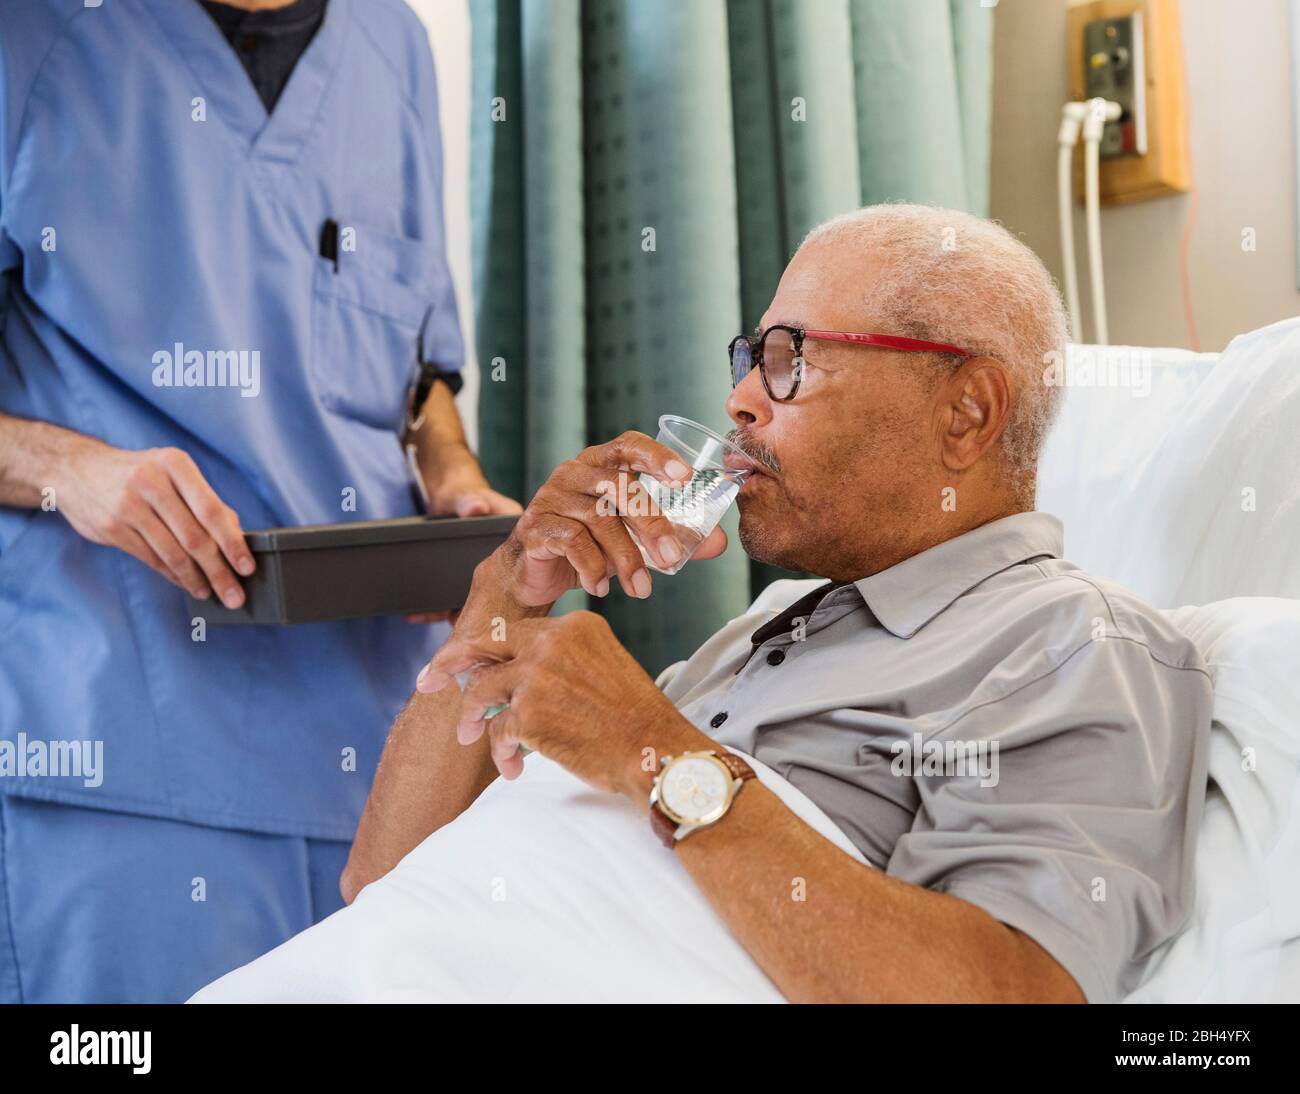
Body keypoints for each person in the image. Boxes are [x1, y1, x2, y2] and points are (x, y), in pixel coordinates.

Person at [340, 204, 1213, 1004]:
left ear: (967, 412)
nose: (740, 398)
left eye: (791, 360)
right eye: (750, 357)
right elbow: (377, 889)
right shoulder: (760, 632)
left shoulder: (1072, 645)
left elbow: (1013, 993)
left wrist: (651, 752)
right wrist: (511, 590)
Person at [0, 0, 518, 1003]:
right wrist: (76, 469)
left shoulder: (393, 45)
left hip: (383, 767)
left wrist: (450, 475)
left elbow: (419, 375)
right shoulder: (32, 35)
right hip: (117, 762)